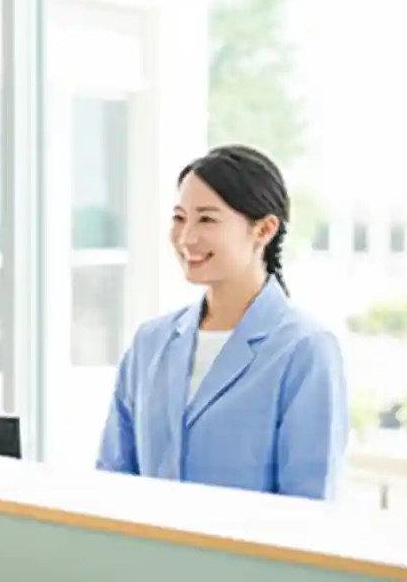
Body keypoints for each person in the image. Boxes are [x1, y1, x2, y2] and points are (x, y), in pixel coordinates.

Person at [96, 145, 347, 500]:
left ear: (263, 230)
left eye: (207, 219)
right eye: (179, 218)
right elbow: (113, 478)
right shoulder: (150, 342)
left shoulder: (305, 349)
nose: (186, 238)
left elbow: (310, 501)